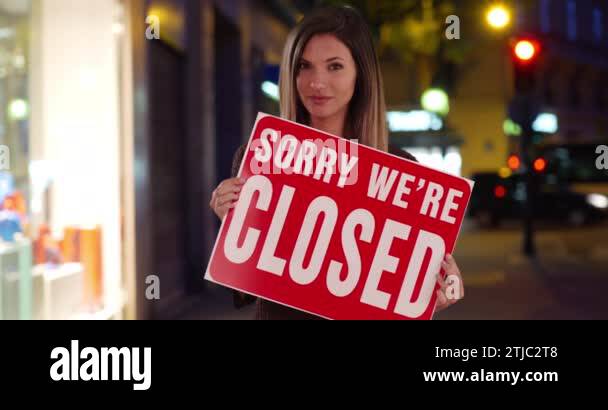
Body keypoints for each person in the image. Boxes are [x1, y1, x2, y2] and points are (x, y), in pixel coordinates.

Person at [209, 5, 464, 320]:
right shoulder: (262, 158)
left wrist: (430, 293)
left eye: (334, 66)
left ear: (361, 73)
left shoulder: (399, 170)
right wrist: (233, 224)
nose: (317, 82)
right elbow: (248, 291)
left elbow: (398, 298)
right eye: (305, 66)